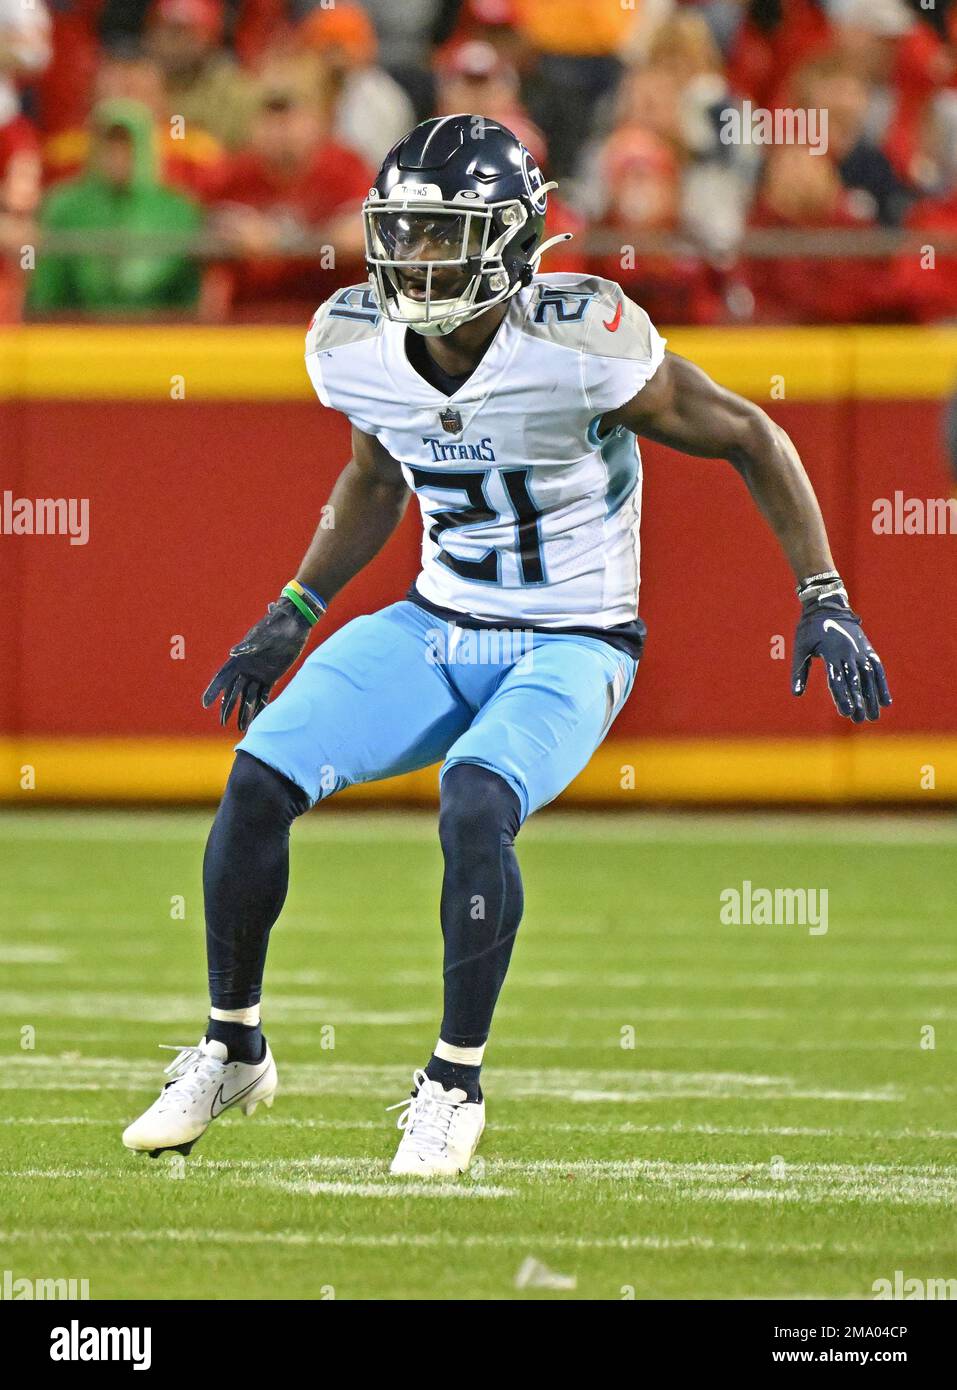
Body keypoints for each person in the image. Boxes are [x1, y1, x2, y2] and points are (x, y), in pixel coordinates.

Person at [122, 115, 891, 1176]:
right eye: (406, 232)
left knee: (477, 800)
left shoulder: (581, 344)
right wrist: (293, 609)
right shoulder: (353, 341)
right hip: (439, 622)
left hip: (575, 637)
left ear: (516, 240)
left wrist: (825, 590)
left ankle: (453, 1079)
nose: (417, 258)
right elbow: (375, 477)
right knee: (257, 779)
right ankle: (232, 1043)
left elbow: (750, 434)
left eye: (445, 235)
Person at [28, 97, 202, 315]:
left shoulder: (178, 210)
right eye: (109, 146)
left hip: (160, 337)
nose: (118, 156)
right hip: (80, 336)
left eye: (127, 146)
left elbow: (189, 294)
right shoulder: (64, 207)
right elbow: (47, 290)